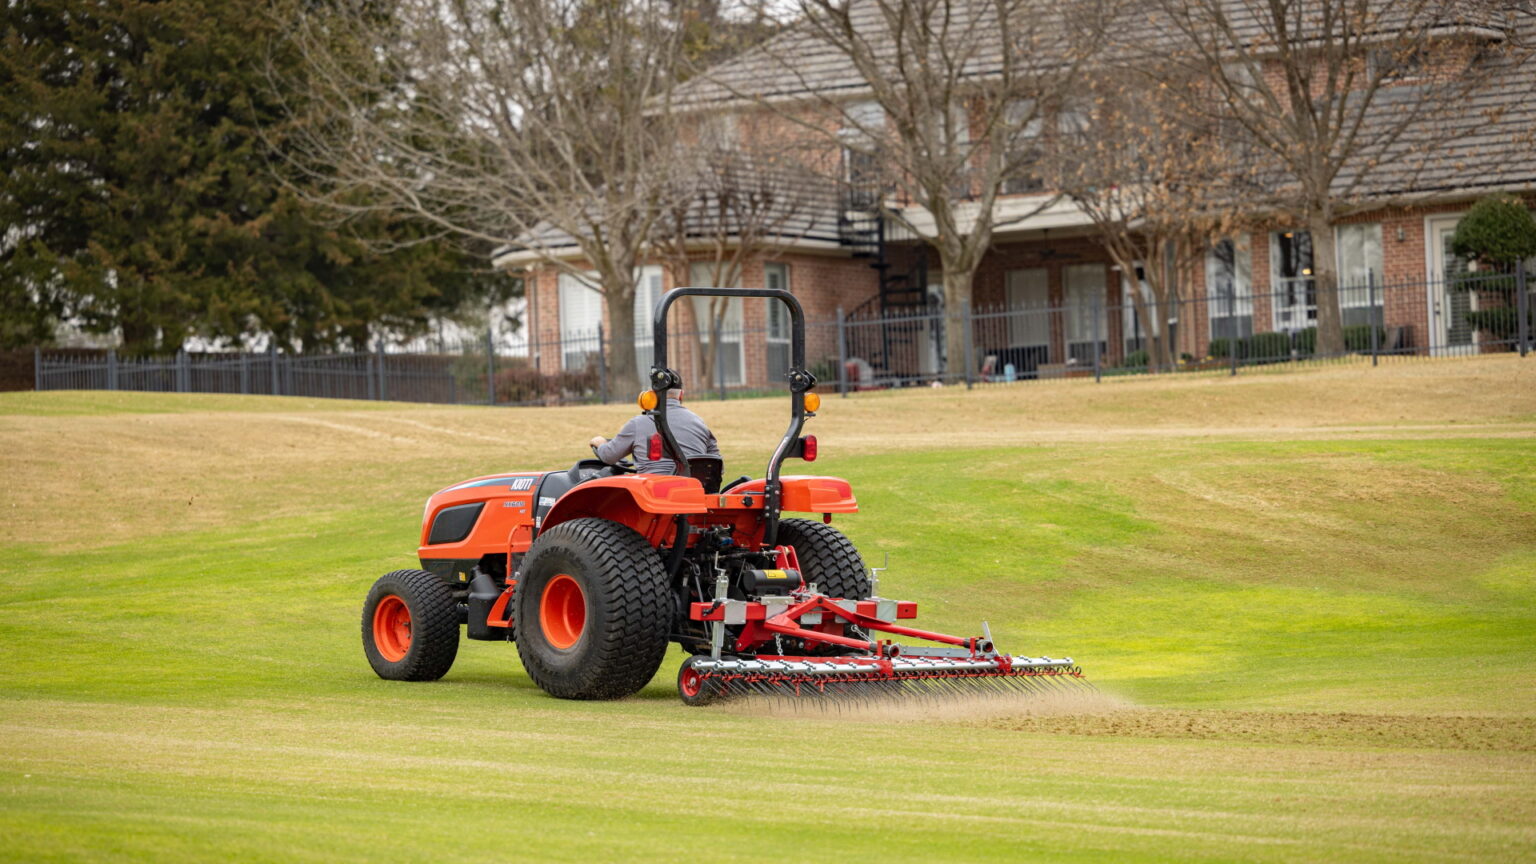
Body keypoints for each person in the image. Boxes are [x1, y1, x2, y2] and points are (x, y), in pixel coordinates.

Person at [590, 388, 720, 475]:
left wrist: (600, 443)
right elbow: (717, 466)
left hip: (653, 495)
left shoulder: (638, 423)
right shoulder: (699, 423)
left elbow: (609, 456)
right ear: (681, 395)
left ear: (651, 395)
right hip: (694, 493)